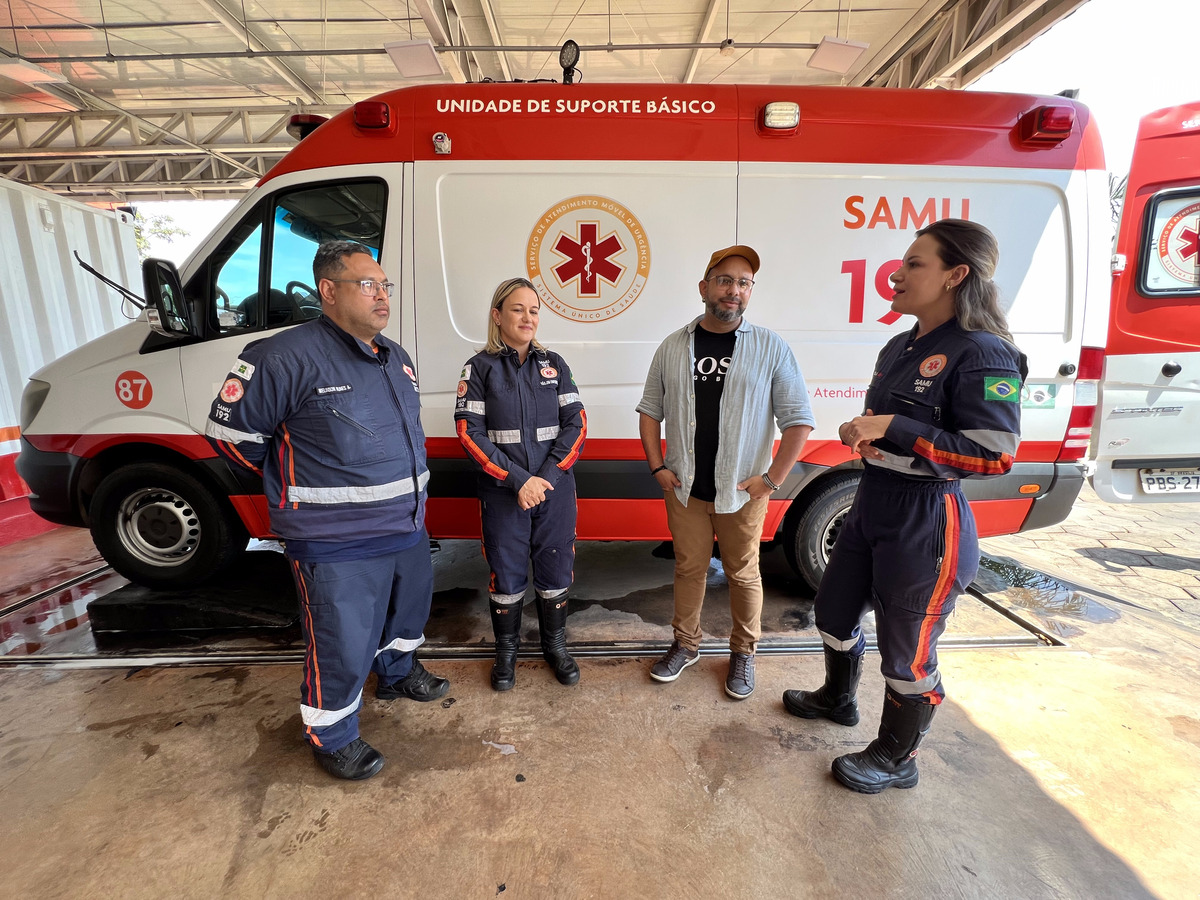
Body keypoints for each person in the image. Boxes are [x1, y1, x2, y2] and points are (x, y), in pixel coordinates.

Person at [782, 219, 1026, 793]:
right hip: (872, 502)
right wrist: (864, 432)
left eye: (915, 263)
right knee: (834, 611)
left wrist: (894, 425)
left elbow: (993, 457)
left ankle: (897, 756)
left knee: (908, 653)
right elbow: (893, 427)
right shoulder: (900, 344)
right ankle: (837, 698)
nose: (898, 272)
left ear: (955, 275)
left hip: (926, 518)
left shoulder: (985, 354)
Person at [205, 240, 449, 781]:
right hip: (335, 538)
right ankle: (332, 733)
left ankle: (398, 669)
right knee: (341, 639)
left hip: (404, 525)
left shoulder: (394, 357)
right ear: (329, 291)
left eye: (385, 285)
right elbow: (233, 440)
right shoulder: (282, 356)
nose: (382, 296)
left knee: (404, 614)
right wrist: (299, 480)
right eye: (369, 285)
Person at [637, 245, 815, 699]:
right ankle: (686, 644)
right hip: (685, 488)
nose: (733, 290)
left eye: (743, 282)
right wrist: (657, 465)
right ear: (704, 287)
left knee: (742, 573)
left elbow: (798, 420)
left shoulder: (771, 347)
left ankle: (744, 652)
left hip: (742, 490)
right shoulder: (673, 346)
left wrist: (771, 480)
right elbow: (649, 411)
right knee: (689, 569)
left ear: (750, 292)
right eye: (724, 280)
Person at [455, 277, 587, 691]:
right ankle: (506, 651)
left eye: (534, 310)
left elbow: (576, 424)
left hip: (554, 490)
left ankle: (556, 646)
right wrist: (517, 480)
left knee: (555, 567)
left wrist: (543, 480)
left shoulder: (555, 365)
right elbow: (467, 431)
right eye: (517, 309)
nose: (528, 317)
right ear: (497, 316)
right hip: (503, 493)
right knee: (507, 574)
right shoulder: (478, 369)